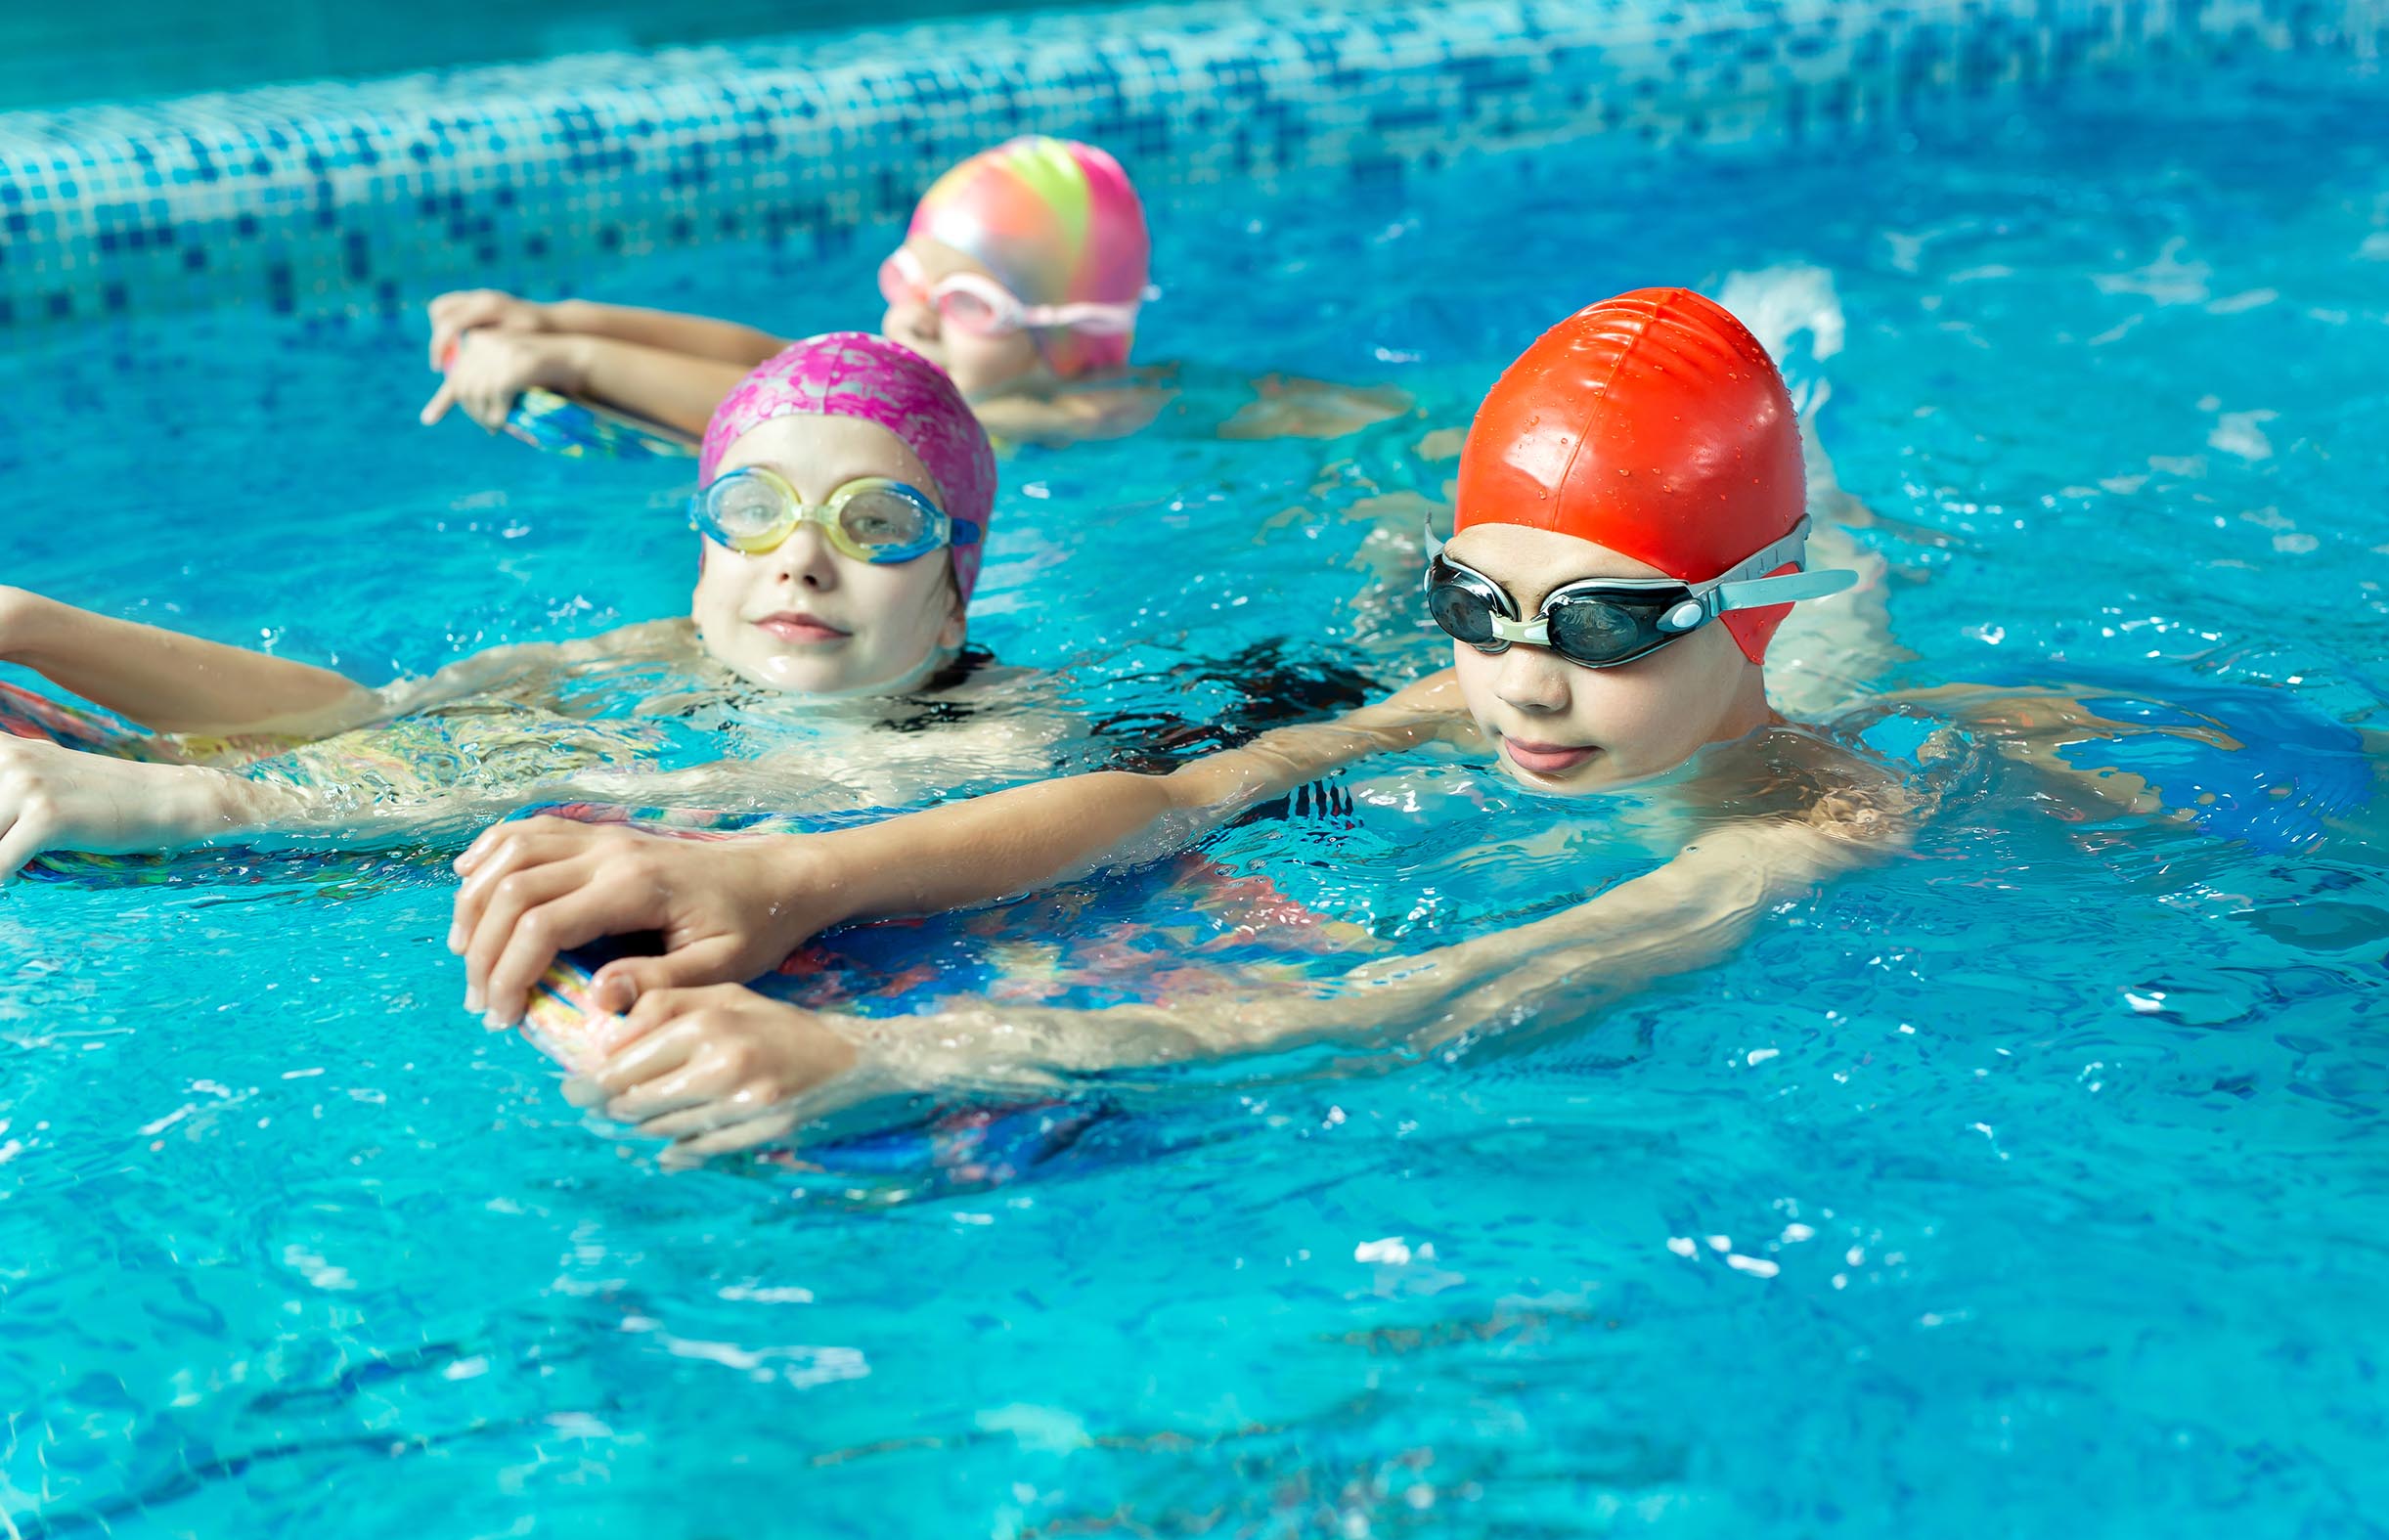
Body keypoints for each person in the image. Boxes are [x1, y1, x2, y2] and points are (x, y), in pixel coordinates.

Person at [448, 287, 1907, 1156]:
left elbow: (1440, 991)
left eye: (1599, 624)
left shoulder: (1802, 829)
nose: (1522, 681)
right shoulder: (1469, 695)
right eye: (1477, 600)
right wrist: (783, 880)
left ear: (1754, 605)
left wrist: (900, 1058)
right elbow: (1192, 791)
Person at [0, 334, 1013, 878]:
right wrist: (37, 628)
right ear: (703, 561)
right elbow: (365, 719)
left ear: (953, 601)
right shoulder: (655, 654)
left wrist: (207, 803)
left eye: (878, 526)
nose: (799, 560)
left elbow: (555, 792)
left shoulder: (996, 751)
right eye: (752, 511)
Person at [421, 136, 1161, 445]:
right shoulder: (972, 380)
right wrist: (554, 320)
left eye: (968, 301)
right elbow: (784, 360)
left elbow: (814, 414)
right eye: (907, 280)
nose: (915, 319)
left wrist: (576, 363)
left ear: (1071, 339)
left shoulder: (1085, 409)